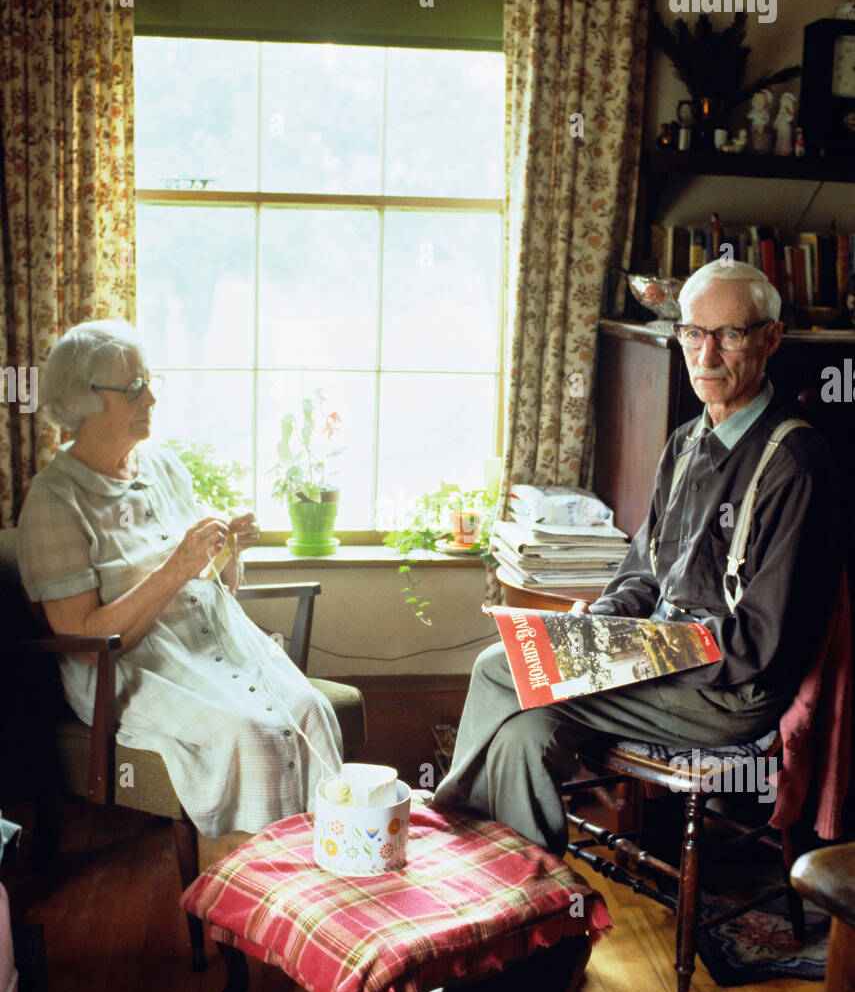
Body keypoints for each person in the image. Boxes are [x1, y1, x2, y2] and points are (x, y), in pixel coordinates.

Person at [432, 261, 841, 853]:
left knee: (499, 666)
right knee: (528, 731)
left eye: (730, 334)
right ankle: (532, 907)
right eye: (693, 333)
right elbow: (643, 572)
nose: (706, 356)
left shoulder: (795, 464)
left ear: (770, 339)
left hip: (726, 695)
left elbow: (760, 646)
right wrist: (597, 628)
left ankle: (444, 834)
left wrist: (633, 654)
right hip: (651, 662)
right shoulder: (685, 443)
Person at [16, 320, 342, 837]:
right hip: (130, 672)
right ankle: (249, 894)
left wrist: (224, 553)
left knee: (312, 710)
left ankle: (322, 873)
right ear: (83, 400)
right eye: (132, 389)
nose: (150, 398)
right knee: (251, 735)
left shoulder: (164, 467)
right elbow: (84, 640)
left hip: (212, 647)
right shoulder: (54, 501)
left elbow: (208, 586)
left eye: (149, 383)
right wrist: (177, 567)